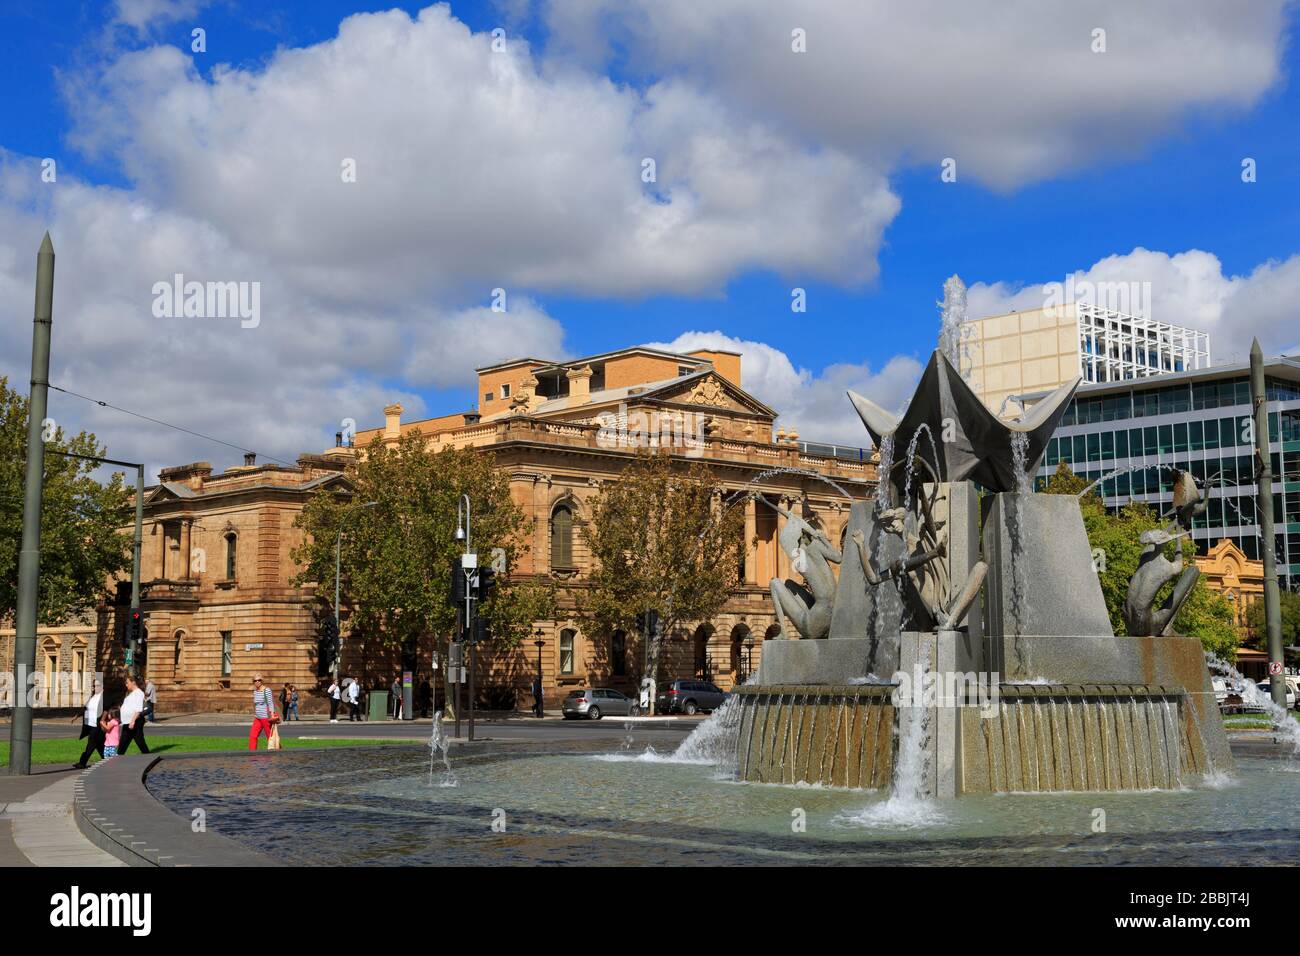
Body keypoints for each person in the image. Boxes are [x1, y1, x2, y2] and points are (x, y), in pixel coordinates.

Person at [73, 679, 105, 769]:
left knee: (91, 744)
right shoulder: (93, 696)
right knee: (99, 745)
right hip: (90, 724)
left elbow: (107, 709)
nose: (95, 688)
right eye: (94, 686)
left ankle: (82, 763)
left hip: (98, 725)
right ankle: (108, 761)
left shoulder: (104, 697)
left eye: (97, 686)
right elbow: (86, 708)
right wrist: (77, 715)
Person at [118, 674, 150, 755]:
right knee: (124, 743)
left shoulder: (138, 693)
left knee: (139, 742)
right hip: (128, 722)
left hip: (134, 722)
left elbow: (138, 709)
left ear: (133, 683)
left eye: (127, 682)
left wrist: (132, 721)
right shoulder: (132, 693)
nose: (126, 684)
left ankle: (147, 757)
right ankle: (118, 758)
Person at [249, 674, 279, 750]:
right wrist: (255, 713)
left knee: (270, 737)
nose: (257, 682)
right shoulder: (255, 691)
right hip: (258, 718)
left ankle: (278, 751)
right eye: (255, 680)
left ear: (262, 681)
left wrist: (272, 715)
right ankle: (252, 754)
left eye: (259, 680)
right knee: (253, 736)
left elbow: (270, 703)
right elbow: (256, 704)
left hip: (266, 718)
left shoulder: (267, 690)